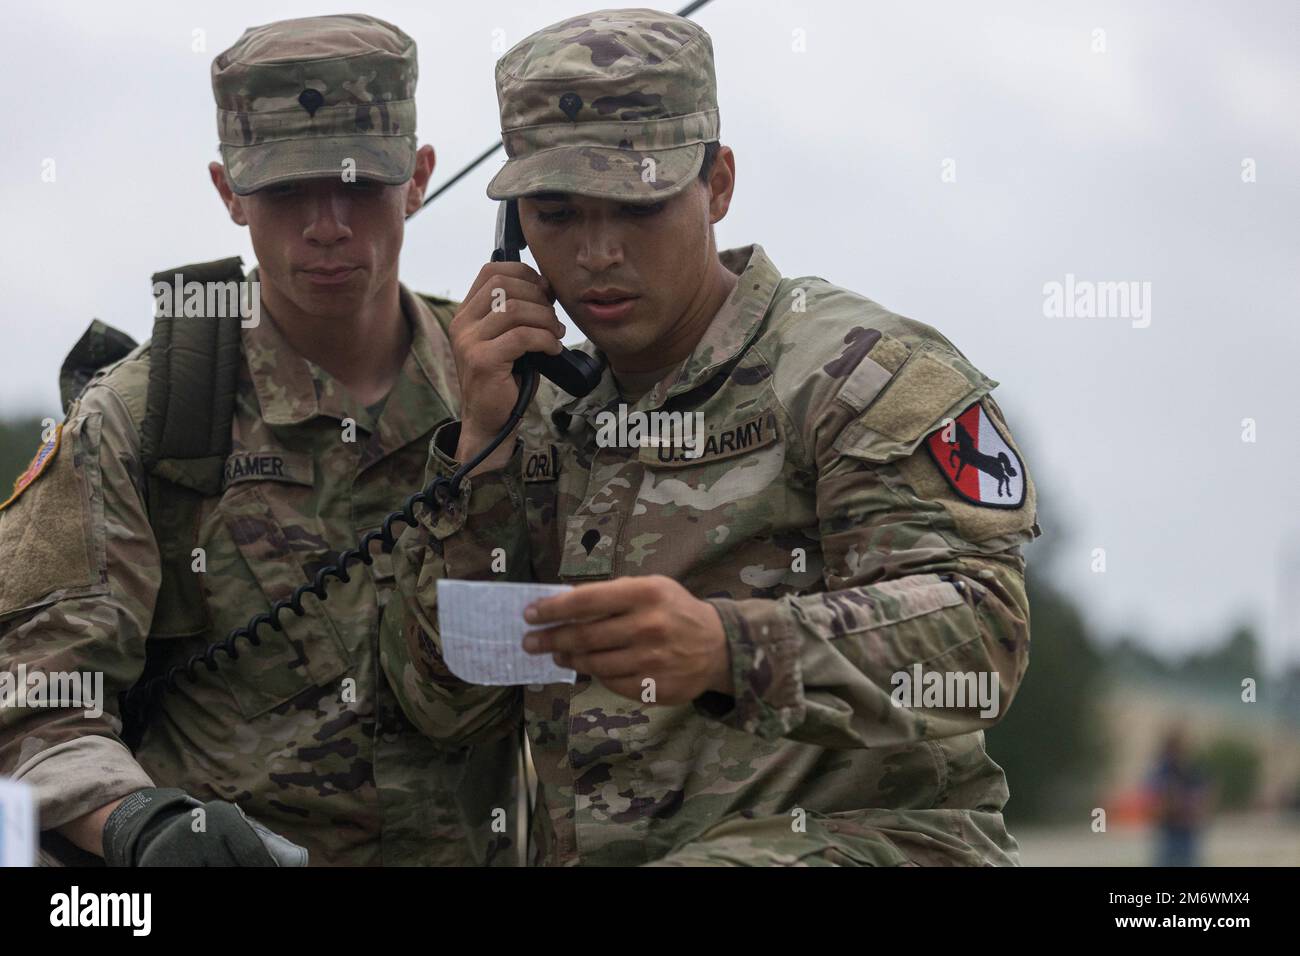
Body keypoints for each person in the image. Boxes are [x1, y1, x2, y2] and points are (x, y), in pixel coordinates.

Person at [381, 7, 1038, 865]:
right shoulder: (533, 411)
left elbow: (982, 637)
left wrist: (732, 648)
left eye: (638, 204)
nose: (597, 253)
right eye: (557, 213)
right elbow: (445, 707)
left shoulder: (853, 372)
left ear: (717, 184)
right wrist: (483, 444)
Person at [0, 14, 515, 866]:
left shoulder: (503, 394)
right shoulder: (144, 420)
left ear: (418, 178)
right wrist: (142, 826)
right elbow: (39, 707)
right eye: (284, 191)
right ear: (228, 191)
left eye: (359, 185)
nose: (325, 225)